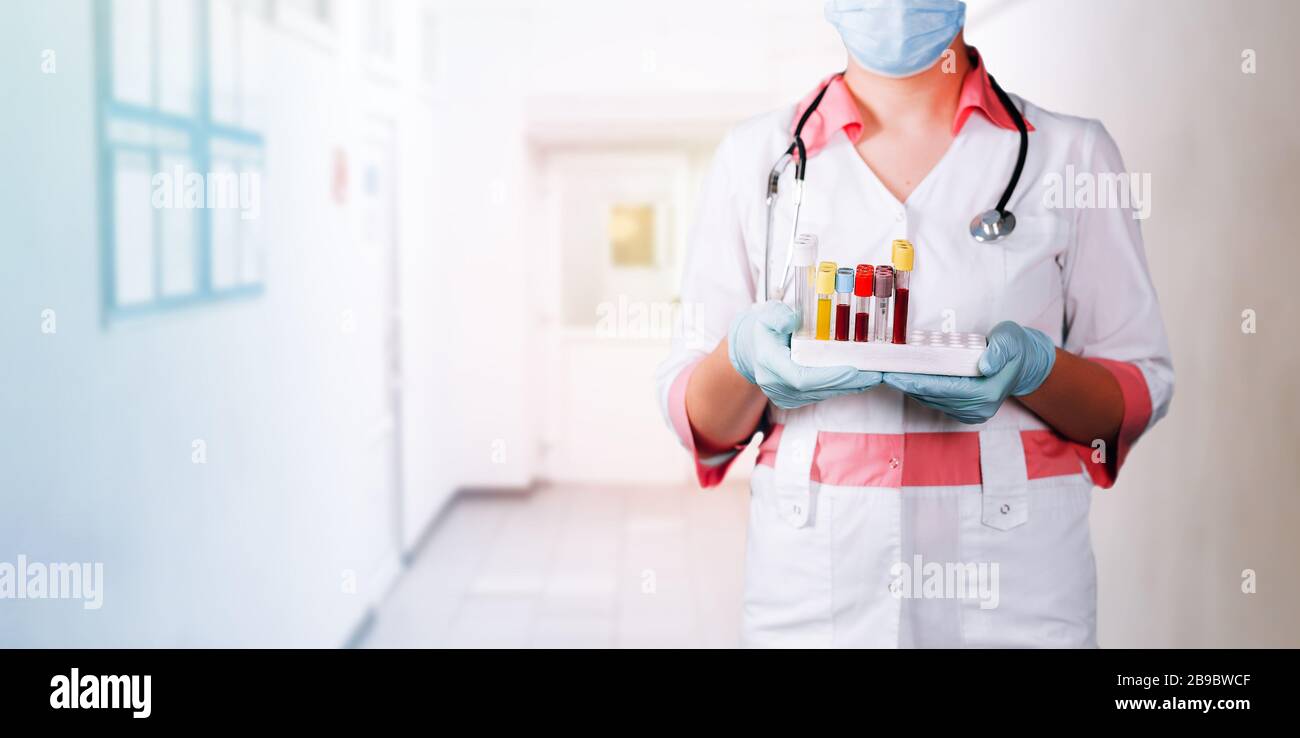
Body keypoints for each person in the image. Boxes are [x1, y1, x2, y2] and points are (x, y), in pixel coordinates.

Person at [655, 0, 1173, 647]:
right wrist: (742, 360)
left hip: (1017, 590)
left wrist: (1035, 369)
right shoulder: (755, 158)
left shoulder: (1073, 154)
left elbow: (1133, 393)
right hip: (815, 591)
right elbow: (697, 420)